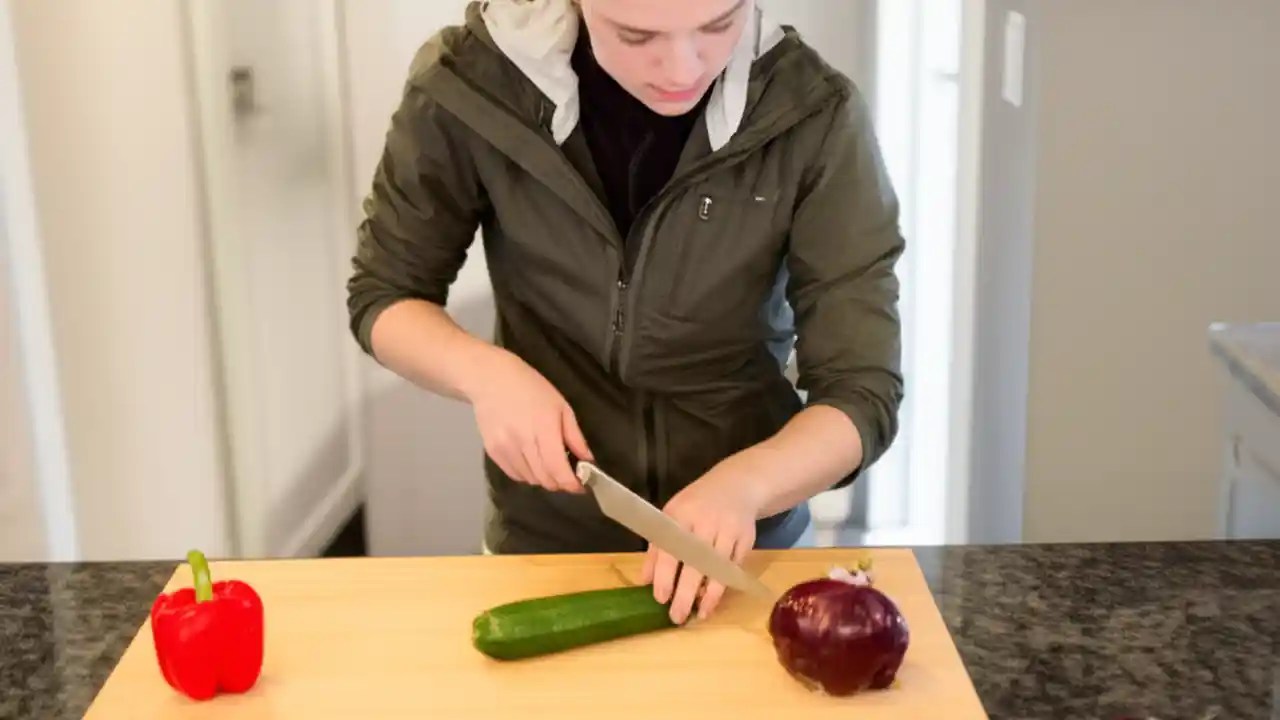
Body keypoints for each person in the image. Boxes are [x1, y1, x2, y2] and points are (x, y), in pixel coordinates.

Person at [346, 0, 904, 625]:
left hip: (746, 556)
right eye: (637, 35)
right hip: (545, 549)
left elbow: (862, 392)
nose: (682, 68)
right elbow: (385, 294)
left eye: (720, 24)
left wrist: (746, 487)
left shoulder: (817, 116)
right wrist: (486, 374)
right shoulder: (467, 84)